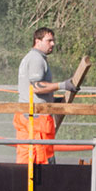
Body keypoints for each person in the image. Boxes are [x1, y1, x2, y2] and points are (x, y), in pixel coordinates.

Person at [15, 27, 72, 164]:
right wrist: (62, 85)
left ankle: (25, 184)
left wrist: (52, 100)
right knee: (40, 161)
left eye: (53, 40)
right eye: (49, 40)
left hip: (29, 116)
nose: (52, 44)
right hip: (36, 119)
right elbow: (37, 87)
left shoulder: (31, 58)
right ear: (37, 41)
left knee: (27, 159)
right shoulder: (36, 59)